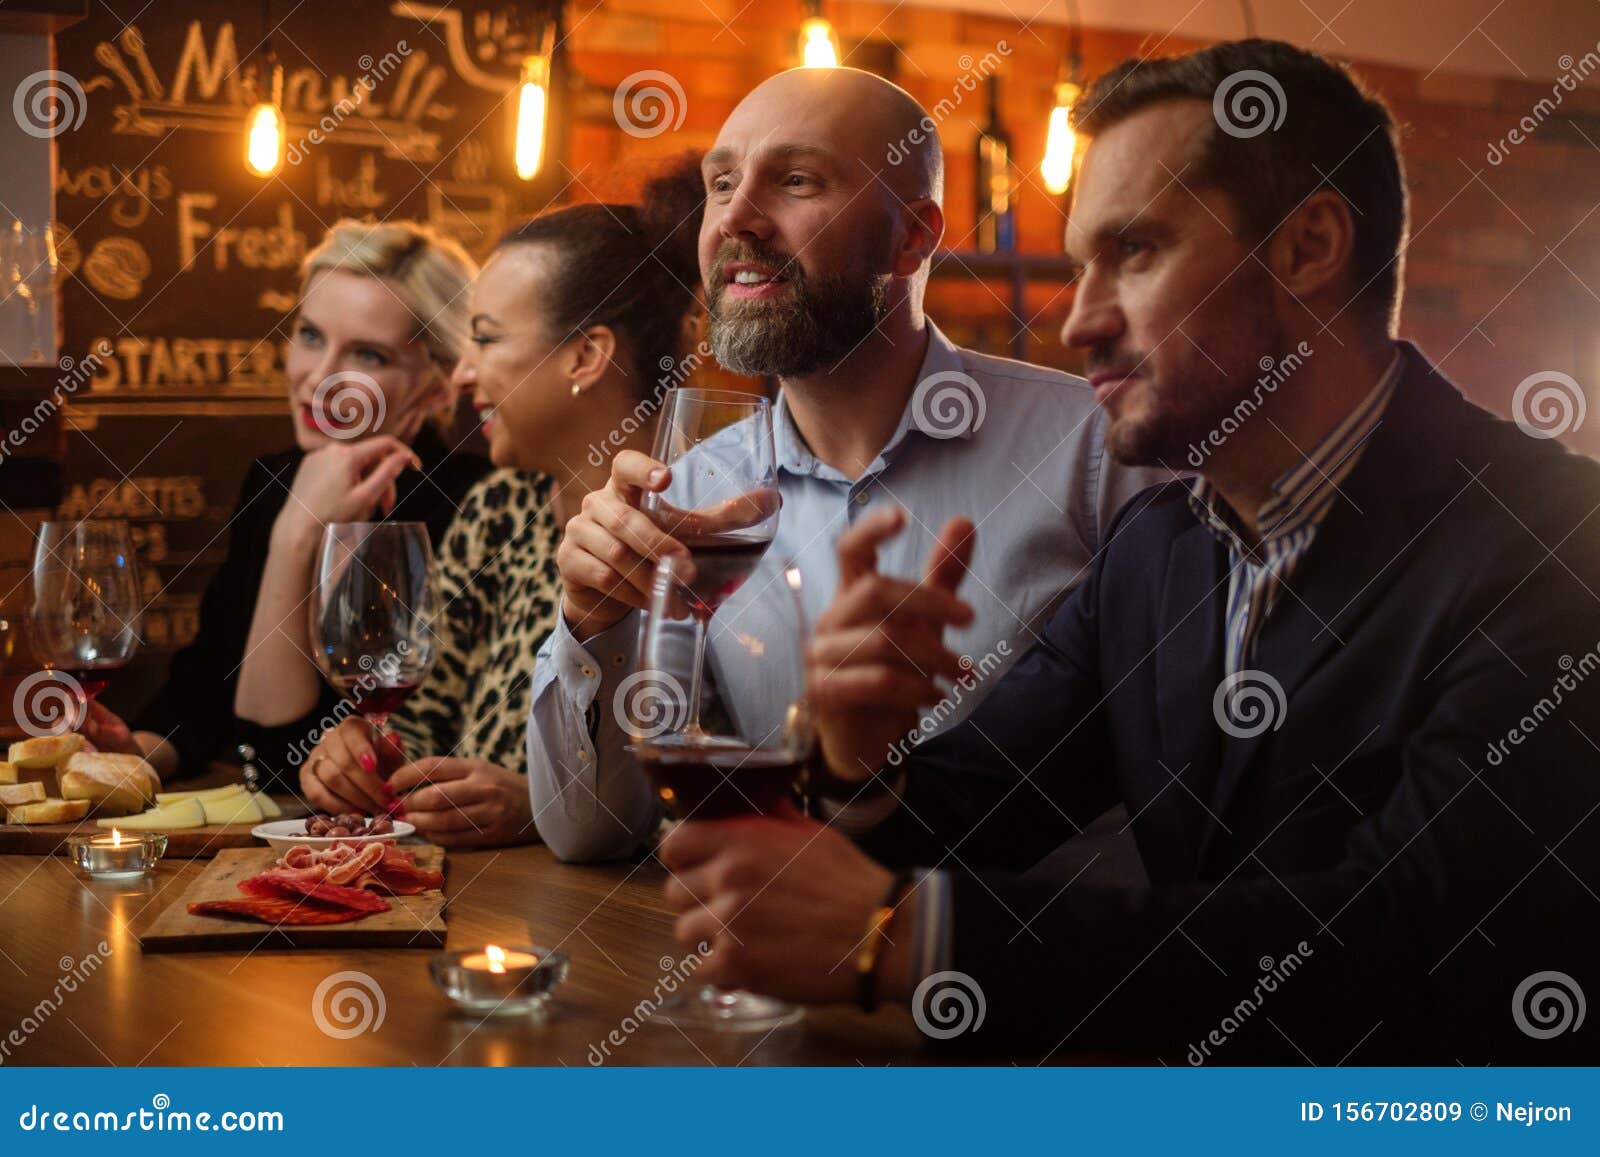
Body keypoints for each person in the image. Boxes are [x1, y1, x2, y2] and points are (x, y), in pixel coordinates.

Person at [654, 39, 1600, 1063]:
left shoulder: (1559, 536)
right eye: (1078, 266)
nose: (1077, 320)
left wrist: (919, 939)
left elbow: (1416, 937)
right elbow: (982, 801)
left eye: (1135, 252)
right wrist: (859, 760)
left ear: (1309, 245)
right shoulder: (1158, 546)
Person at [526, 68, 1169, 862]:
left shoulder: (1101, 452)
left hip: (1037, 973)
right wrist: (594, 625)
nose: (736, 218)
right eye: (720, 183)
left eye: (795, 180)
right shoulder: (693, 494)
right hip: (784, 973)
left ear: (913, 236)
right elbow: (589, 831)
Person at [296, 156, 709, 848]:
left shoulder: (703, 529)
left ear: (586, 356)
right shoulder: (499, 508)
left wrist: (540, 807)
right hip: (478, 912)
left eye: (485, 339)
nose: (462, 371)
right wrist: (361, 756)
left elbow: (725, 796)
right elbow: (417, 729)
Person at [81, 220, 489, 787]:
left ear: (441, 382)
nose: (318, 378)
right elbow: (209, 685)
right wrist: (139, 754)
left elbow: (279, 756)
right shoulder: (274, 478)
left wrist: (297, 533)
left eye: (367, 355)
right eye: (311, 336)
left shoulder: (478, 503)